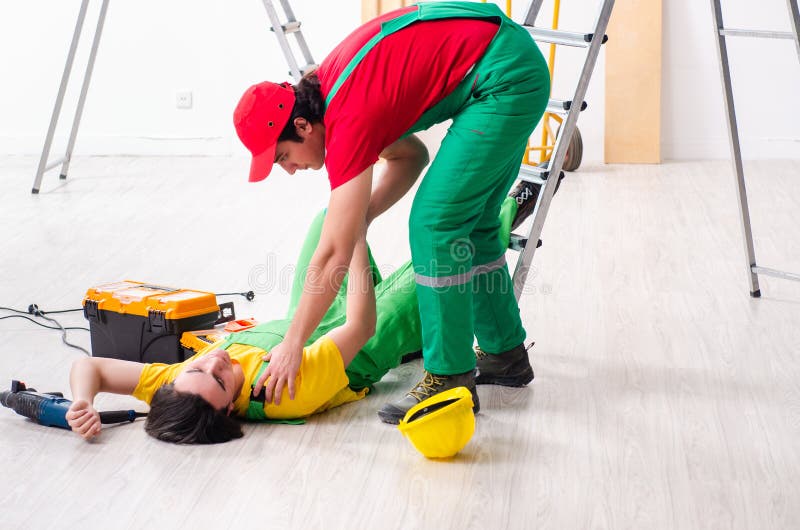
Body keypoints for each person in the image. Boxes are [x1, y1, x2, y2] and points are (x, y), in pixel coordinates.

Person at [233, 1, 550, 423]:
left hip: (503, 79)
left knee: (435, 221)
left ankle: (448, 378)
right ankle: (504, 354)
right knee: (473, 227)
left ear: (302, 127)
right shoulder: (332, 94)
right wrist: (363, 216)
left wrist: (293, 343)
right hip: (509, 59)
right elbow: (410, 157)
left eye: (282, 157)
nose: (289, 170)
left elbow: (332, 255)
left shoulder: (346, 120)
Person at [66, 195, 532, 442]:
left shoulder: (179, 384)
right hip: (367, 338)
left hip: (305, 321)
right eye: (221, 377)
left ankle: (389, 174)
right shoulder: (285, 394)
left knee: (332, 213)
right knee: (447, 252)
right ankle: (507, 203)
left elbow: (94, 367)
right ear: (234, 408)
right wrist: (352, 240)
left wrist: (81, 404)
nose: (214, 361)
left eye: (199, 365)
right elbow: (360, 326)